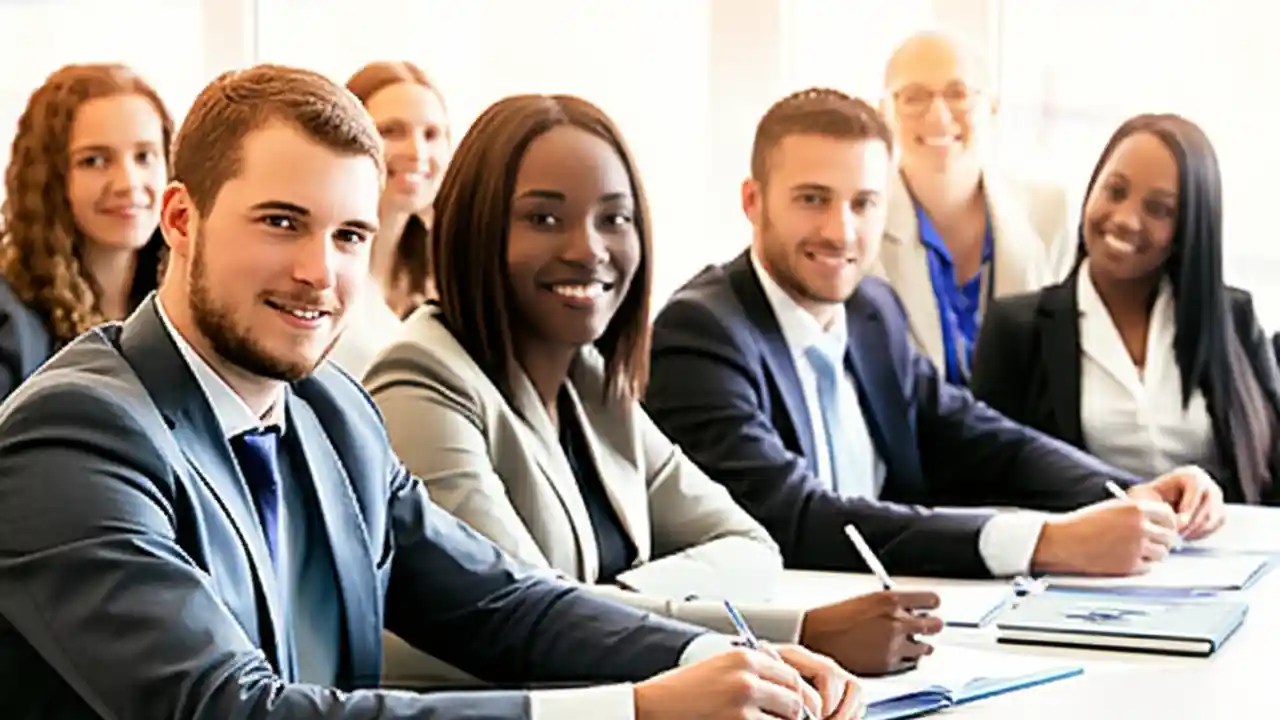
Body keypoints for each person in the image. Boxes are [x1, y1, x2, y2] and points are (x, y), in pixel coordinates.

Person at [0, 64, 862, 720]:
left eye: (348, 235)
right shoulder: (77, 433)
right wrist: (631, 708)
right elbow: (232, 708)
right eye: (280, 222)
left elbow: (500, 604)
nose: (319, 273)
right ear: (180, 219)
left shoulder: (333, 414)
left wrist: (740, 658)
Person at [365, 93, 941, 678]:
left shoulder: (590, 381)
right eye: (544, 218)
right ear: (474, 228)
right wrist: (796, 634)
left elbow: (749, 546)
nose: (588, 249)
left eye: (615, 219)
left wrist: (606, 597)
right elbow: (521, 625)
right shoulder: (422, 383)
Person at [645, 88, 1225, 583]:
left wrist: (1132, 493)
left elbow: (976, 436)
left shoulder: (872, 310)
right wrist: (1045, 542)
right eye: (812, 199)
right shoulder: (702, 334)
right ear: (754, 200)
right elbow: (794, 520)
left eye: (864, 203)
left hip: (900, 620)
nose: (840, 230)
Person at [972, 113, 1280, 506]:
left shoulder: (1233, 318)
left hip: (1222, 553)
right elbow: (984, 481)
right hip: (1087, 560)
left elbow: (1271, 472)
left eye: (1158, 209)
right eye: (1115, 191)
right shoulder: (1016, 329)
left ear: (1189, 226)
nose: (1125, 219)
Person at [873, 31, 1070, 385]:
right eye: (913, 97)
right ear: (883, 113)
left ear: (992, 108)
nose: (938, 115)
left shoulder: (1050, 215)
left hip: (1025, 436)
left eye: (957, 93)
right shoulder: (860, 226)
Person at [0, 63, 171, 401]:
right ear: (50, 178)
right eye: (94, 160)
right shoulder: (9, 322)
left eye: (144, 156)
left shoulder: (182, 306)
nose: (128, 183)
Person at [329, 60, 452, 376]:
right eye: (391, 131)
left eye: (432, 134)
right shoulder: (319, 269)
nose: (417, 152)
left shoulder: (444, 277)